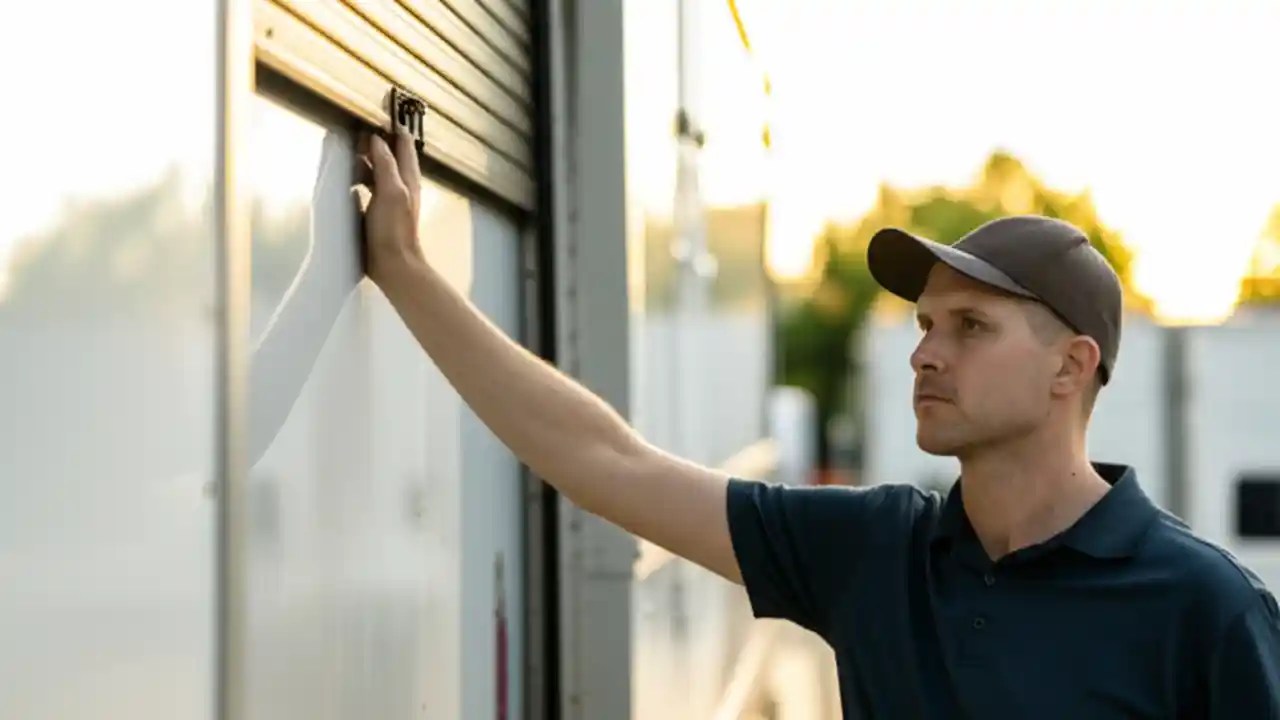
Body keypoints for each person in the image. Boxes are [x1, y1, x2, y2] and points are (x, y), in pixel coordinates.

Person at [356, 128, 1280, 719]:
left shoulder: (1208, 612)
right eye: (924, 326)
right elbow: (608, 462)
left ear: (1070, 368)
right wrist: (406, 270)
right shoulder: (874, 551)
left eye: (970, 327)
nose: (925, 354)